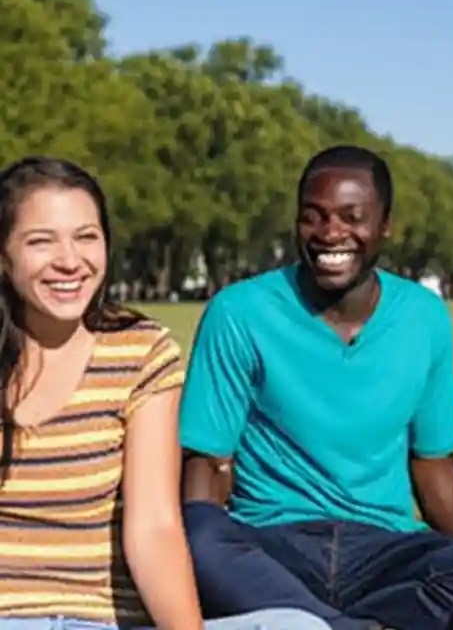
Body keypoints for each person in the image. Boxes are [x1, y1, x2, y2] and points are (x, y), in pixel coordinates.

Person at [178, 145, 453, 630]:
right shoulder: (239, 312)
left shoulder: (423, 316)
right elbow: (206, 459)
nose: (331, 233)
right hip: (271, 545)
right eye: (312, 217)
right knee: (199, 533)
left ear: (384, 225)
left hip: (383, 548)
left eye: (352, 217)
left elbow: (432, 458)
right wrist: (198, 557)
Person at [0, 157, 322, 630]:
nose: (70, 260)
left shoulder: (139, 351)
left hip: (109, 621)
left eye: (86, 236)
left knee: (298, 626)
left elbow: (154, 528)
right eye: (40, 242)